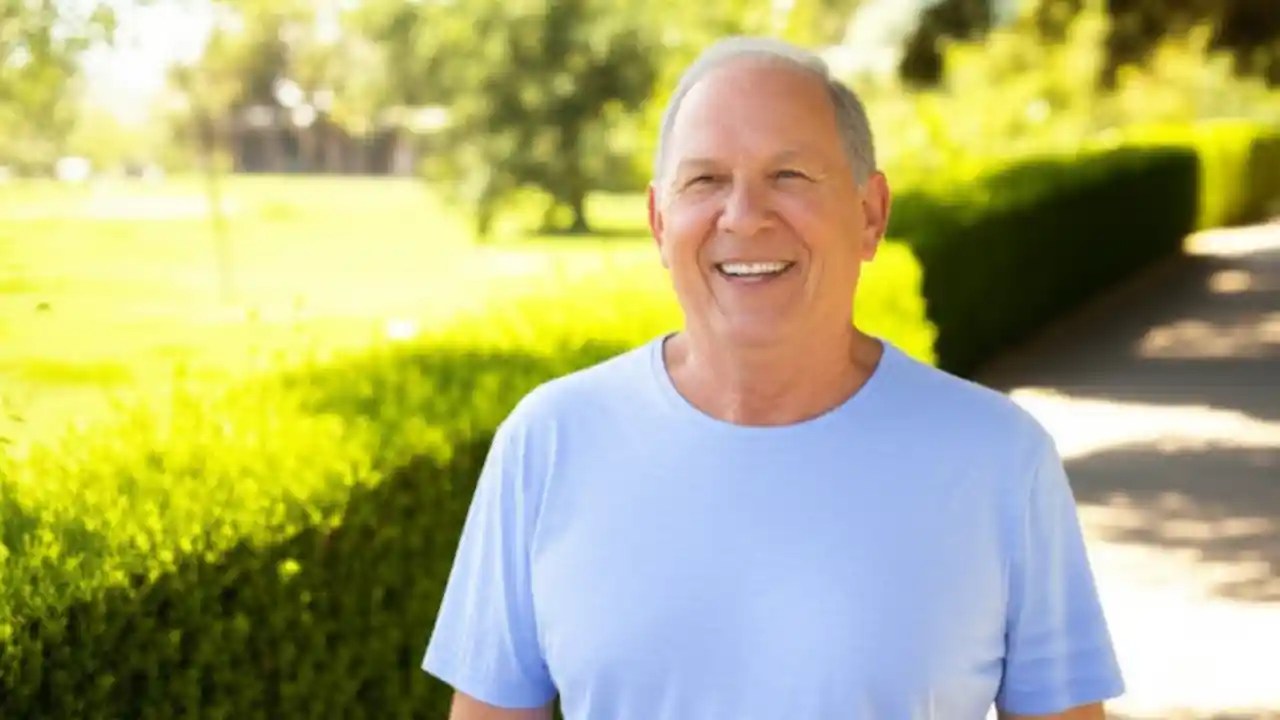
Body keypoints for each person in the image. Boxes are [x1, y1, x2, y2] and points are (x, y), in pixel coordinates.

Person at [421, 36, 1125, 720]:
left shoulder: (997, 457)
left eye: (789, 176)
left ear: (870, 214)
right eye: (706, 180)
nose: (745, 216)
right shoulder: (548, 443)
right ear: (659, 220)